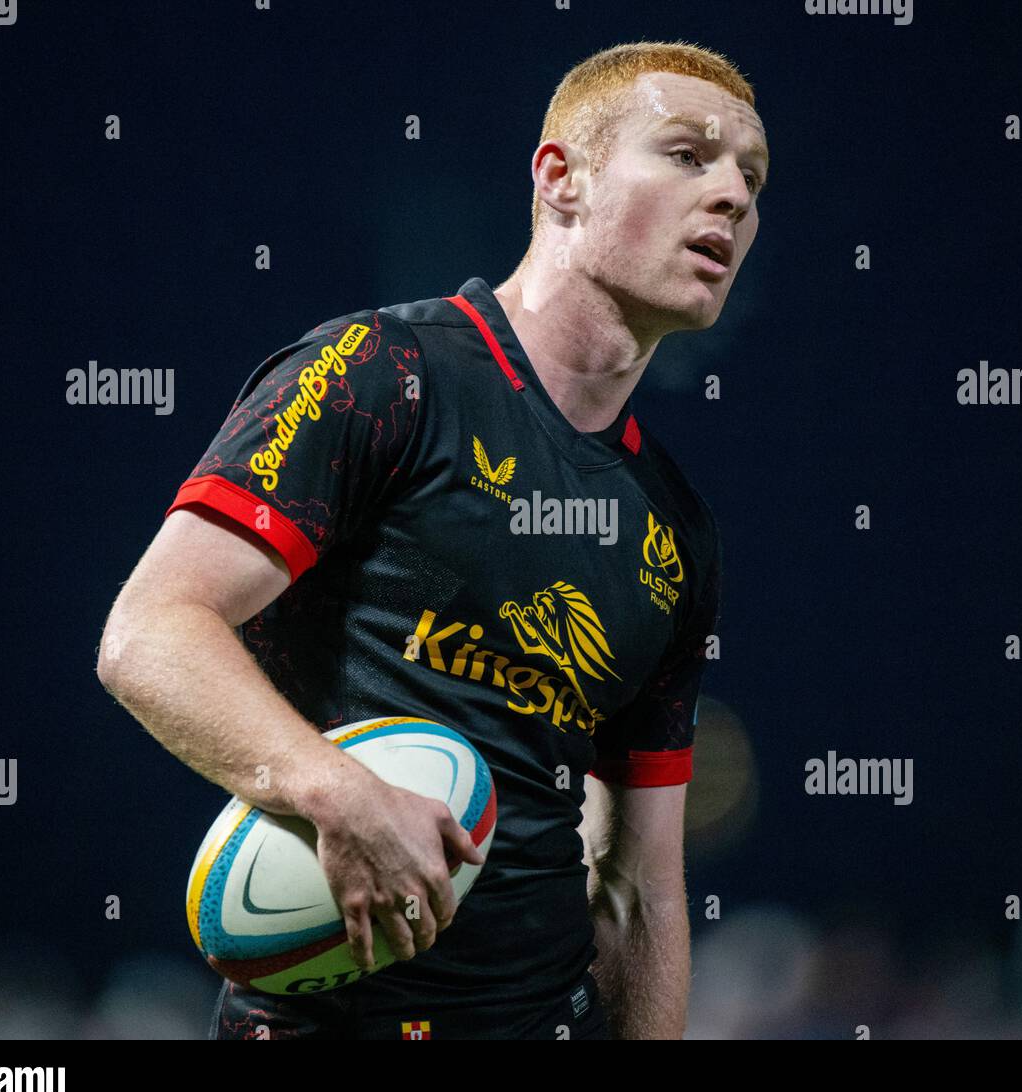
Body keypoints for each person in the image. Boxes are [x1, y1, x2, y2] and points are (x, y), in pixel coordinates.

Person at [97, 39, 766, 1040]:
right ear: (561, 179)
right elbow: (148, 631)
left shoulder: (675, 529)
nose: (731, 198)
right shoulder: (379, 373)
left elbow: (639, 891)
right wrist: (335, 790)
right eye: (686, 155)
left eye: (750, 179)